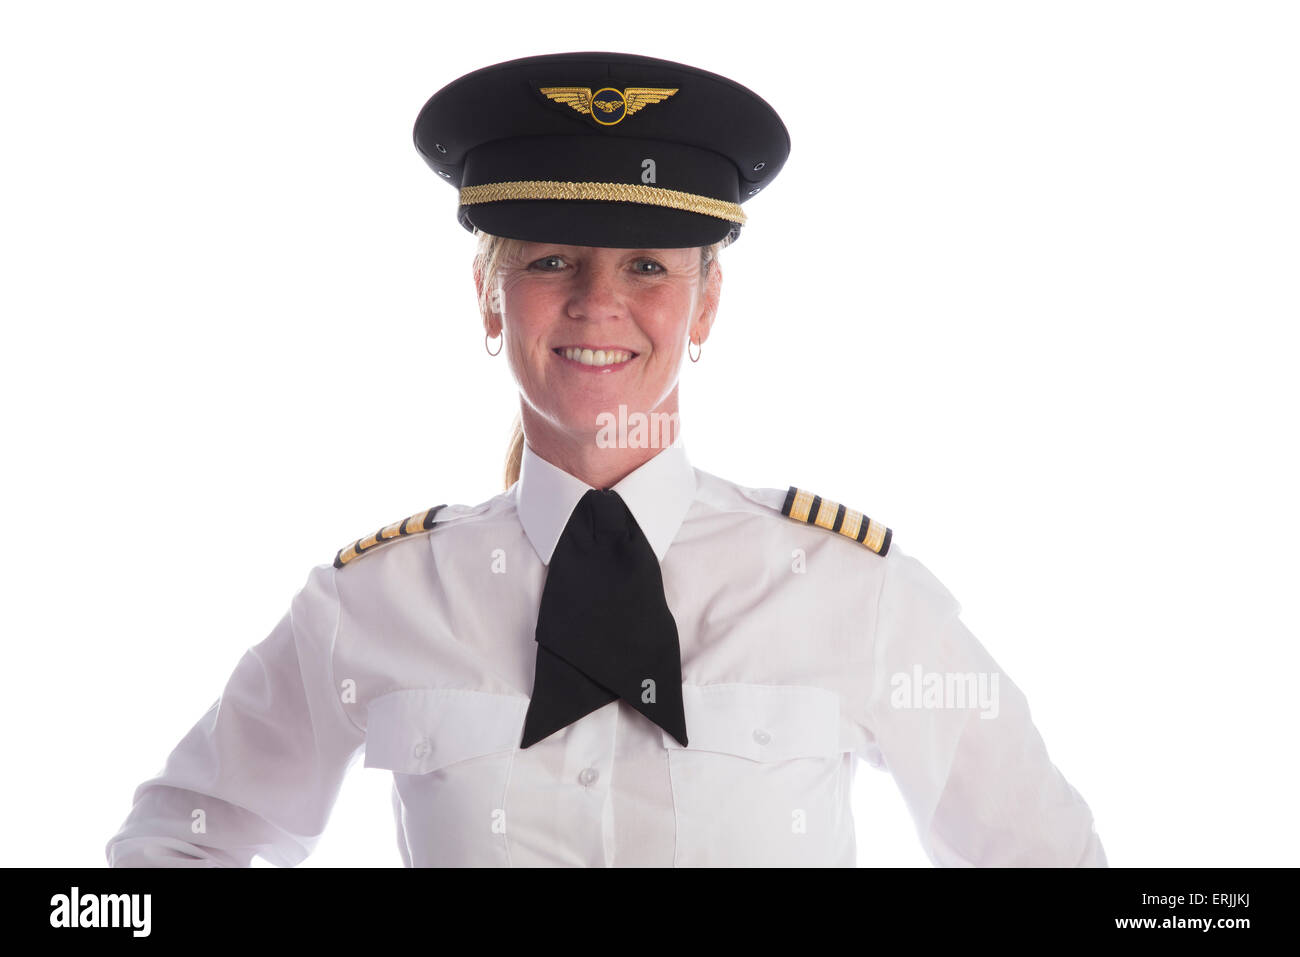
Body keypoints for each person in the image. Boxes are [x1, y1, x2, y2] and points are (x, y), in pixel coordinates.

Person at [105, 51, 1107, 867]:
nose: (597, 303)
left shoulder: (851, 591)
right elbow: (176, 845)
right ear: (490, 298)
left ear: (705, 303)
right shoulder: (371, 602)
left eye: (645, 266)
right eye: (548, 261)